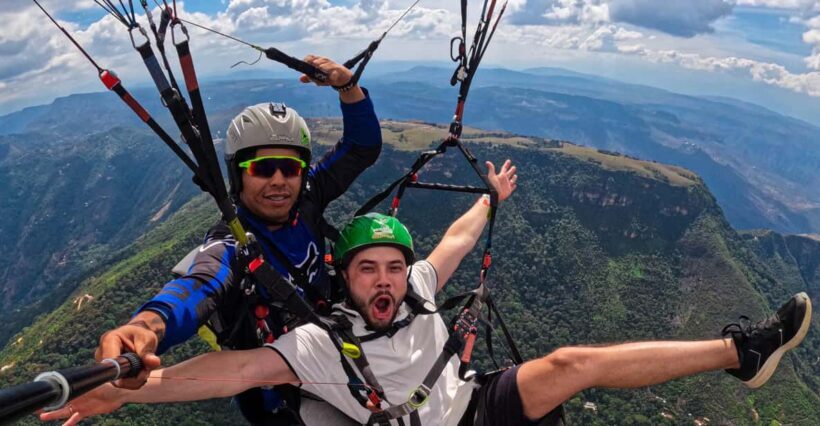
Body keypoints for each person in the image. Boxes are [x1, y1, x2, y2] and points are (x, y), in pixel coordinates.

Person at [43, 159, 813, 426]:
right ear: (344, 277)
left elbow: (455, 243)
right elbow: (230, 371)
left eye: (391, 266)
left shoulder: (416, 282)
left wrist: (490, 199)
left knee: (572, 363)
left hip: (472, 405)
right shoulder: (320, 341)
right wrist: (124, 391)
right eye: (367, 269)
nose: (384, 279)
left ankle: (740, 351)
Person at [94, 55, 381, 424]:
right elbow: (197, 286)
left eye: (291, 167)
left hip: (330, 347)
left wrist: (347, 87)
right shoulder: (231, 244)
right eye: (261, 168)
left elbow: (362, 147)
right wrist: (145, 327)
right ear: (237, 175)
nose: (278, 180)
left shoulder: (308, 195)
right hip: (279, 395)